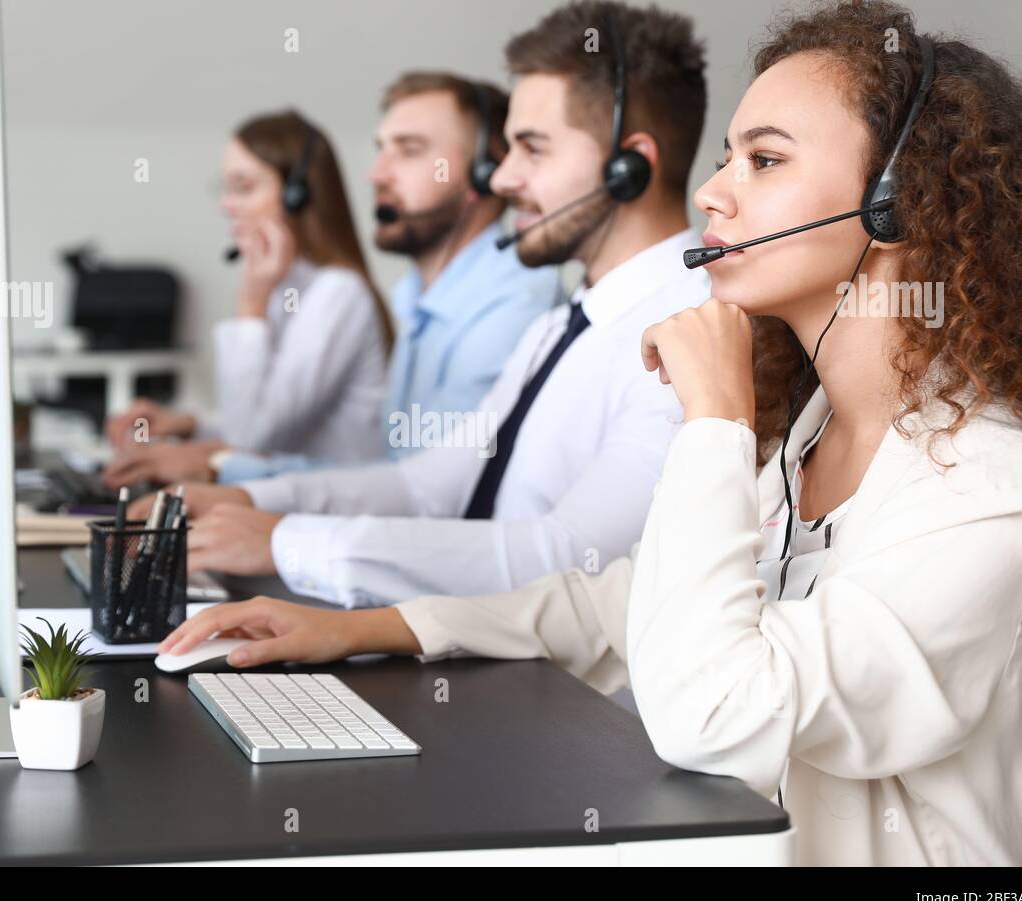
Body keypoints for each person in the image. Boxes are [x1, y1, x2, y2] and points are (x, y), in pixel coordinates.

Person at [158, 0, 1022, 867]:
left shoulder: (999, 478)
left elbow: (716, 711)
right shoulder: (809, 435)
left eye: (763, 162)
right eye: (727, 158)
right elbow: (627, 603)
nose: (713, 196)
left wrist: (716, 420)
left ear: (897, 203)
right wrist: (368, 628)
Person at [139, 1, 711, 609]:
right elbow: (430, 485)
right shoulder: (565, 323)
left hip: (570, 697)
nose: (500, 179)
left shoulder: (690, 329)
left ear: (630, 167)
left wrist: (286, 542)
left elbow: (568, 557)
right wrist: (253, 502)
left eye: (533, 149)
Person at [101, 110, 392, 487]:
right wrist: (188, 424)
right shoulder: (290, 286)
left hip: (330, 517)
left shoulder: (337, 292)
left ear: (296, 195)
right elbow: (269, 415)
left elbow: (253, 436)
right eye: (224, 187)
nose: (226, 204)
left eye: (243, 186)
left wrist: (250, 304)